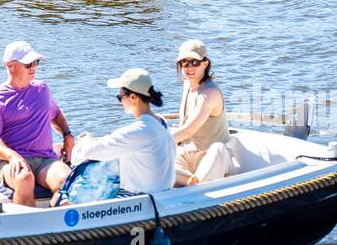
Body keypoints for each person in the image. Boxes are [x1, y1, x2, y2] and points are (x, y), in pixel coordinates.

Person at [0, 41, 74, 208]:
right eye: (27, 64)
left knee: (68, 180)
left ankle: (57, 225)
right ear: (10, 66)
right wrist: (12, 157)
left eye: (35, 62)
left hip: (45, 158)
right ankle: (27, 225)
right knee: (25, 178)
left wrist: (67, 134)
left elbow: (56, 114)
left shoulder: (42, 89)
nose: (33, 67)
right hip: (9, 161)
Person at [71, 69, 176, 195]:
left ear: (133, 97)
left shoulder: (140, 130)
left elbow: (90, 151)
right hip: (162, 192)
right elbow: (116, 141)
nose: (120, 101)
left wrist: (84, 141)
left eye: (120, 96)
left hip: (142, 199)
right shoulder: (161, 122)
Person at [169, 41, 232, 186]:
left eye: (195, 62)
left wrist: (155, 142)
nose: (189, 67)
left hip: (212, 160)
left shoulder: (210, 93)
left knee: (218, 148)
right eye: (184, 62)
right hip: (187, 155)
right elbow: (183, 129)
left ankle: (195, 182)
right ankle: (190, 181)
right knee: (158, 162)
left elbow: (188, 130)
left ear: (205, 64)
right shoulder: (187, 85)